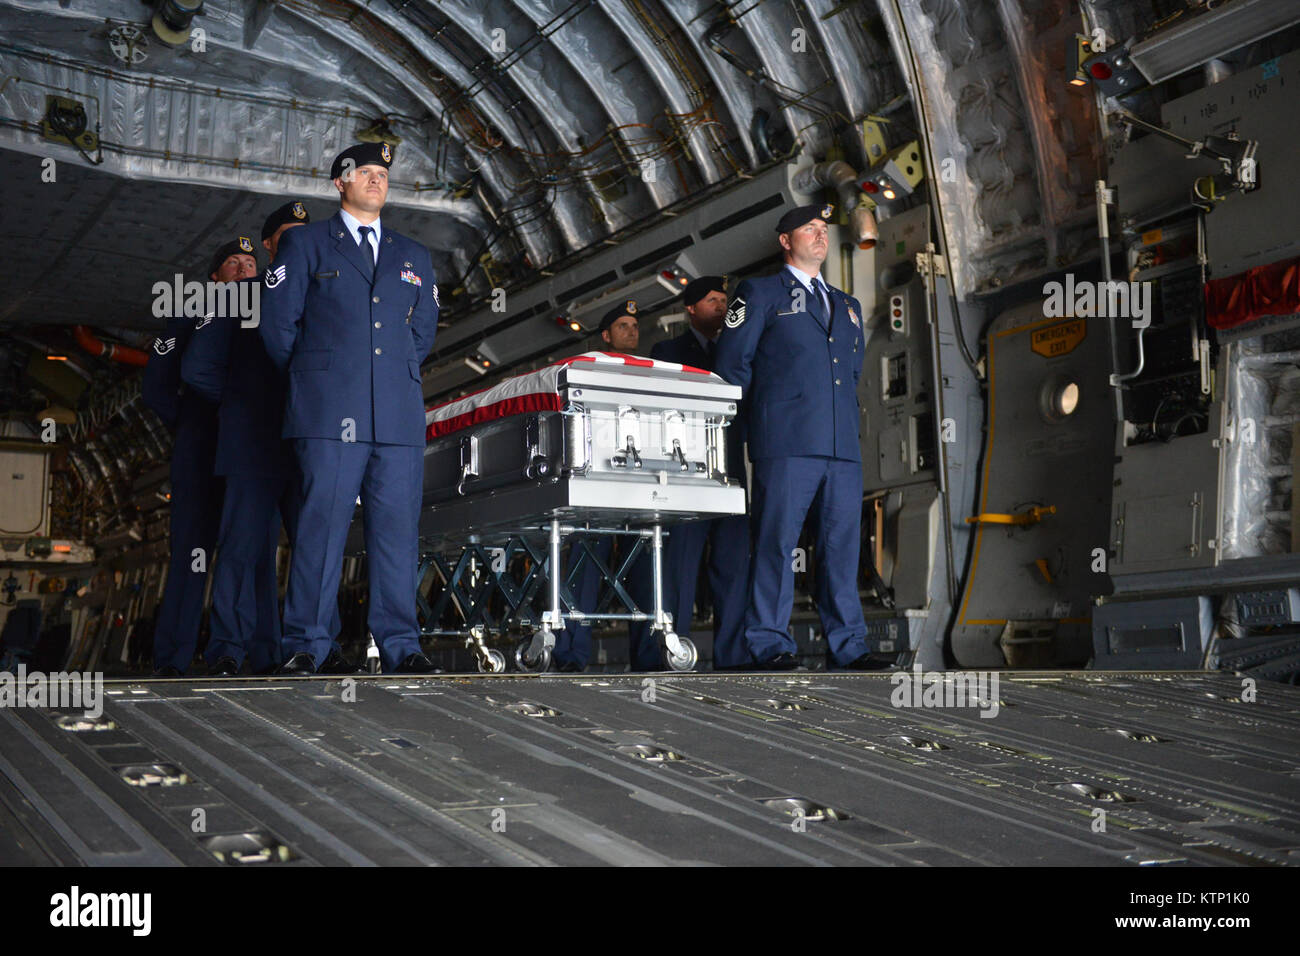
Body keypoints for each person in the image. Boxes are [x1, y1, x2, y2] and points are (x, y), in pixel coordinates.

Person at [259, 142, 440, 675]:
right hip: (328, 413)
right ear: (340, 183)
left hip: (398, 416)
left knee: (396, 533)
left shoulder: (415, 255)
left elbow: (422, 332)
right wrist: (318, 380)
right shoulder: (308, 244)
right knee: (321, 529)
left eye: (383, 173)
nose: (376, 179)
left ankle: (401, 646)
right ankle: (307, 644)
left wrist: (386, 376)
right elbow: (278, 327)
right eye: (365, 172)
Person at [182, 202, 353, 676]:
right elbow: (198, 368)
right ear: (270, 245)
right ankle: (227, 650)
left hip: (309, 443)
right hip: (254, 445)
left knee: (316, 545)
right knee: (240, 549)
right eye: (289, 235)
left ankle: (320, 644)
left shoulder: (327, 295)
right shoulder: (240, 297)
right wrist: (243, 403)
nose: (301, 242)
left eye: (307, 233)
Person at [715, 204, 884, 670]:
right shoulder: (761, 293)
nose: (820, 235)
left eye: (824, 229)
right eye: (809, 228)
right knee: (776, 543)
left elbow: (850, 372)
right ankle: (769, 643)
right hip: (787, 443)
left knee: (841, 548)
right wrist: (748, 430)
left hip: (841, 446)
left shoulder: (846, 305)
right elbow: (732, 365)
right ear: (785, 241)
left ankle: (849, 647)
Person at [143, 237, 254, 675]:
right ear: (214, 276)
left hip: (246, 446)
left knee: (245, 549)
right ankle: (172, 658)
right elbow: (157, 385)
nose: (245, 270)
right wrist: (191, 422)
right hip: (202, 444)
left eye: (250, 262)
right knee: (191, 550)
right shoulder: (192, 311)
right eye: (234, 263)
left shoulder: (263, 318)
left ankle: (241, 652)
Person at [650, 276, 753, 669]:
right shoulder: (670, 350)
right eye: (712, 301)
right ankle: (674, 652)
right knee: (681, 570)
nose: (722, 308)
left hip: (729, 471)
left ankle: (733, 656)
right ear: (691, 309)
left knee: (732, 566)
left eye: (725, 301)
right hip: (688, 476)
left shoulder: (737, 345)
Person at [551, 301, 656, 672]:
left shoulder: (649, 375)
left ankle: (649, 658)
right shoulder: (588, 370)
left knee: (645, 571)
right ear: (607, 336)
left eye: (635, 324)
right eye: (623, 326)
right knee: (586, 568)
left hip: (637, 485)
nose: (632, 330)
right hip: (597, 481)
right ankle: (570, 655)